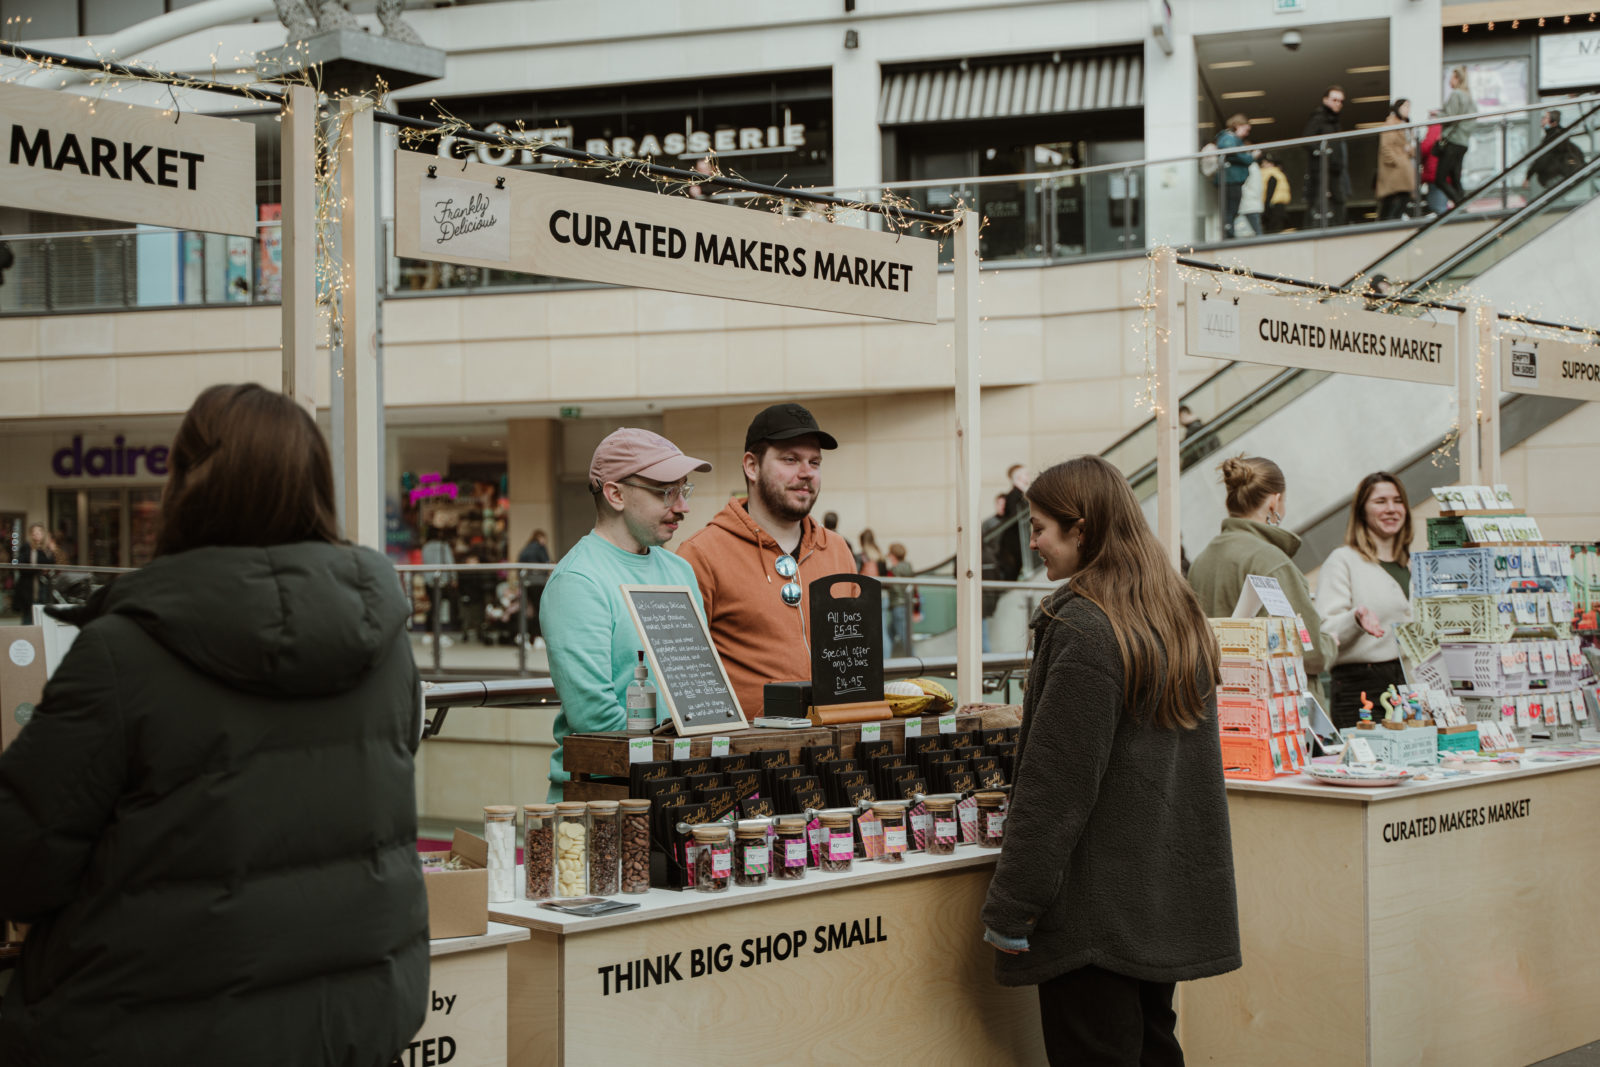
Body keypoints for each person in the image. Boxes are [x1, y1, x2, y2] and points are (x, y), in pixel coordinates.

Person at [0, 383, 427, 1064]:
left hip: (147, 1026)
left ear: (185, 483)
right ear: (318, 485)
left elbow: (20, 865)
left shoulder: (123, 649)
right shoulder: (385, 645)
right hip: (351, 1021)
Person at [980, 455, 1240, 1066]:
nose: (1034, 541)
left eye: (1041, 526)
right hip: (1155, 901)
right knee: (1155, 1046)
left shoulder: (1085, 629)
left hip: (1092, 916)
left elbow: (1056, 789)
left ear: (1082, 528)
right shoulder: (1174, 616)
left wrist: (1012, 909)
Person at [540, 428, 711, 801]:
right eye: (667, 492)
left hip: (682, 786)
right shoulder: (578, 581)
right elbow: (596, 721)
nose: (683, 506)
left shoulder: (679, 570)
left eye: (684, 490)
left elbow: (700, 689)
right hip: (606, 801)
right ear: (616, 494)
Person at [677, 403, 856, 717]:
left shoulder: (838, 550)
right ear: (751, 466)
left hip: (835, 746)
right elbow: (682, 676)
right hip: (748, 754)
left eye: (815, 462)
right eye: (790, 459)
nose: (806, 473)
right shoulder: (701, 554)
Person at [1187, 455, 1336, 681]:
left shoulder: (1201, 561)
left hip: (1218, 702)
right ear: (1274, 502)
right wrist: (1331, 643)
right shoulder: (1271, 561)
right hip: (1272, 706)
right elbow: (1310, 654)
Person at [1315, 473, 1416, 730]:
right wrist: (1355, 619)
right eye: (1380, 501)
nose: (1391, 509)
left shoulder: (1414, 566)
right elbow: (1325, 631)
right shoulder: (1343, 561)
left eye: (1397, 501)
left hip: (1410, 689)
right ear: (1362, 511)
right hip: (1360, 690)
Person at [1302, 85, 1349, 227]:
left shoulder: (1334, 121)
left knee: (1338, 200)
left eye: (1341, 101)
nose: (1338, 104)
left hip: (1333, 168)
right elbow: (1307, 140)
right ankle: (1311, 230)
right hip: (1321, 168)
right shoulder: (1319, 118)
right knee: (1317, 200)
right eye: (1335, 100)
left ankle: (1339, 228)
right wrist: (1324, 154)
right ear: (1326, 100)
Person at [1436, 66, 1476, 207]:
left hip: (1453, 141)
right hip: (1463, 142)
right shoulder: (1469, 97)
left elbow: (1450, 117)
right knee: (1455, 178)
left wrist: (1437, 115)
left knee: (1440, 178)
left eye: (1451, 77)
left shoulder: (1456, 94)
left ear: (1457, 79)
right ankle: (1462, 207)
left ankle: (1459, 206)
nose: (1449, 81)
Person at [1377, 99, 1417, 220]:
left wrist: (1408, 151)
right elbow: (1386, 147)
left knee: (1402, 197)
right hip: (1394, 170)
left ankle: (1391, 222)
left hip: (1403, 169)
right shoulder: (1390, 124)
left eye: (1409, 107)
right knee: (1392, 199)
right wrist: (1397, 161)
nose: (1407, 109)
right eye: (1405, 106)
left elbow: (1411, 147)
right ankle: (1387, 225)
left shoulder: (1406, 126)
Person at [1529, 110, 1586, 192]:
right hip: (1558, 174)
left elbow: (1542, 158)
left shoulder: (1554, 138)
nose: (1542, 120)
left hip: (1556, 175)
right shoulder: (1558, 135)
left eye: (1545, 118)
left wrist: (1529, 175)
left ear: (1553, 123)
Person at [1216, 115, 1254, 238]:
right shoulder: (1228, 138)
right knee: (1230, 209)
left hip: (1232, 179)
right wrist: (1249, 157)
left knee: (1232, 209)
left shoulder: (1230, 139)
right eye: (1246, 130)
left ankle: (1229, 232)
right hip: (1230, 179)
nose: (1247, 134)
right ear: (1238, 126)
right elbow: (1232, 152)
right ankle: (1229, 234)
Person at [420, 522, 457, 647]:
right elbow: (449, 562)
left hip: (428, 580)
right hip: (442, 580)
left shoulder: (426, 547)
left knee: (432, 607)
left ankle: (429, 632)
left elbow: (424, 563)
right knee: (438, 607)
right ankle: (438, 633)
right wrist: (453, 577)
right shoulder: (443, 546)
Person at [11, 523, 52, 625]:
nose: (37, 535)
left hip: (42, 588)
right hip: (28, 589)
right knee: (28, 617)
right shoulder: (26, 548)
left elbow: (50, 565)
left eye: (39, 533)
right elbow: (22, 567)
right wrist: (38, 570)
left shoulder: (45, 550)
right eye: (34, 533)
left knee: (42, 617)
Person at [517, 528, 551, 647]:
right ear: (540, 537)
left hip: (526, 582)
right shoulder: (540, 548)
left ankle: (525, 636)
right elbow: (547, 563)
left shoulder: (525, 549)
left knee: (528, 611)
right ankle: (537, 637)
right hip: (538, 582)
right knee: (538, 610)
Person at [884, 541, 915, 658]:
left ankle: (913, 662)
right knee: (890, 634)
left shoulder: (893, 570)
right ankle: (884, 658)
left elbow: (891, 586)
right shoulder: (908, 566)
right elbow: (914, 587)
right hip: (907, 604)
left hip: (898, 605)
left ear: (893, 555)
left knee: (904, 637)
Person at [1419, 110, 1449, 215]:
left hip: (1435, 172)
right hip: (1444, 173)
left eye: (1431, 117)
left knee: (1437, 207)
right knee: (1441, 204)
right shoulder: (1445, 129)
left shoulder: (1435, 128)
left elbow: (1425, 147)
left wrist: (1415, 151)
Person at [1259, 154, 1291, 233]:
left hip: (1272, 204)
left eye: (1266, 163)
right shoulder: (1279, 173)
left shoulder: (1269, 174)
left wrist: (1266, 205)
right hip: (1279, 203)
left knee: (1273, 229)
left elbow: (1269, 191)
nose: (1264, 165)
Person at [1236, 151, 1265, 238]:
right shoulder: (1255, 167)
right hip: (1254, 203)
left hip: (1249, 203)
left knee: (1254, 231)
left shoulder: (1249, 167)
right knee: (1256, 229)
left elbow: (1245, 185)